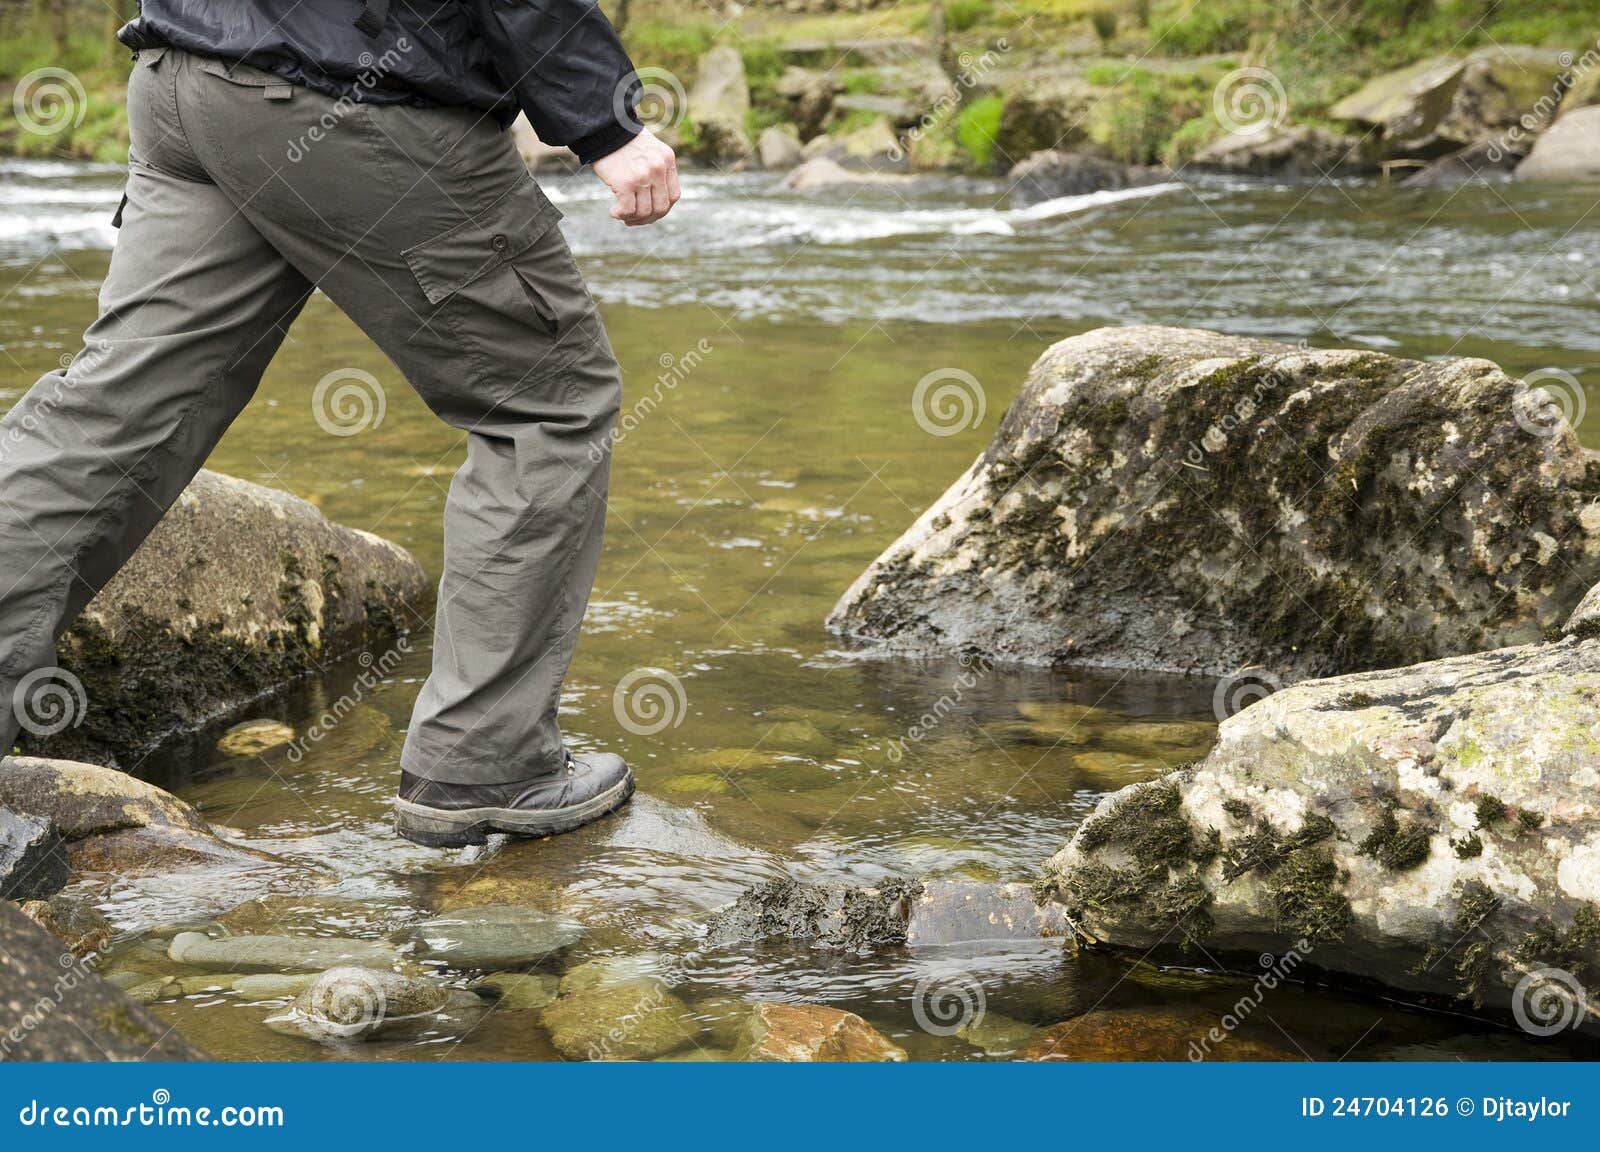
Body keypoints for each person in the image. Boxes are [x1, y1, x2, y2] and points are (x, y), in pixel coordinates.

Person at [0, 1, 679, 847]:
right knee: (550, 402)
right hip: (354, 92)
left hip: (189, 72)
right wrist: (602, 116)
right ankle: (483, 763)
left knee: (113, 409)